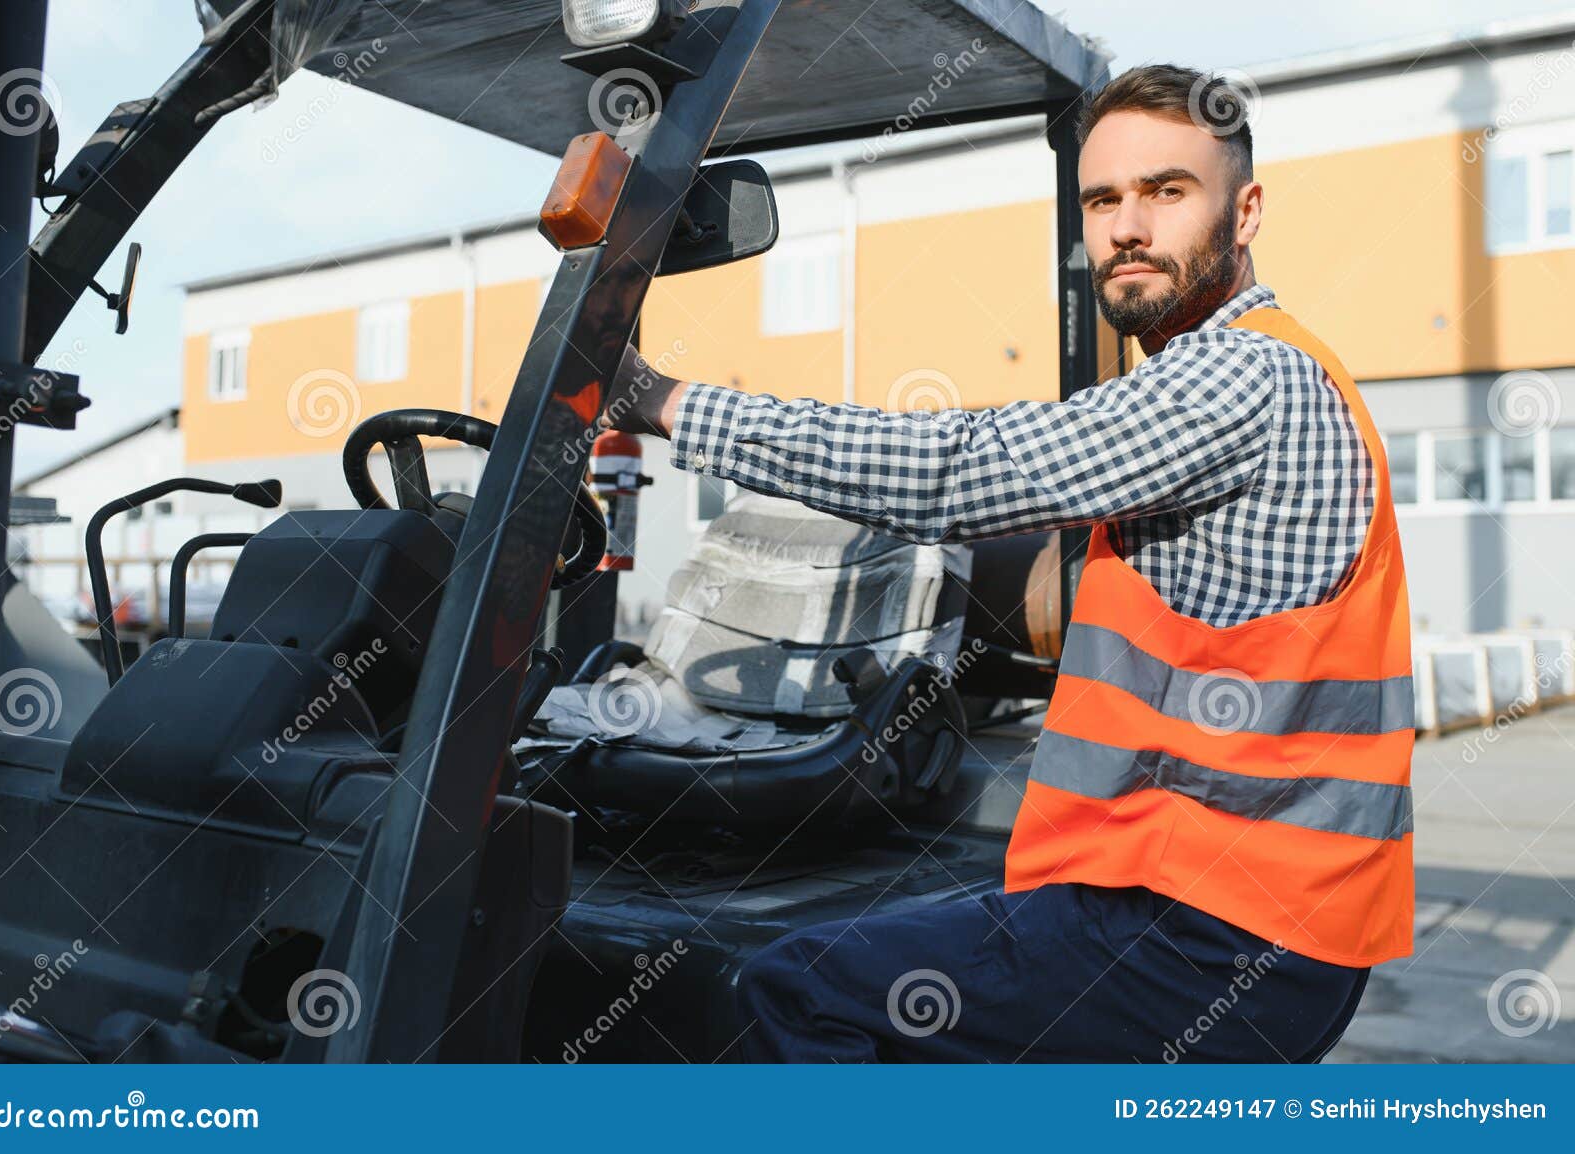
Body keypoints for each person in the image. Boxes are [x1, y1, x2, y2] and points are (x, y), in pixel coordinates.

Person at [603, 64, 1414, 1063]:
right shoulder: (1238, 375)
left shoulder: (1246, 372)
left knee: (802, 990)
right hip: (1229, 912)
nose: (1125, 227)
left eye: (1166, 192)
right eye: (1102, 198)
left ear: (1244, 211)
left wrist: (666, 401)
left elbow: (966, 470)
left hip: (1208, 929)